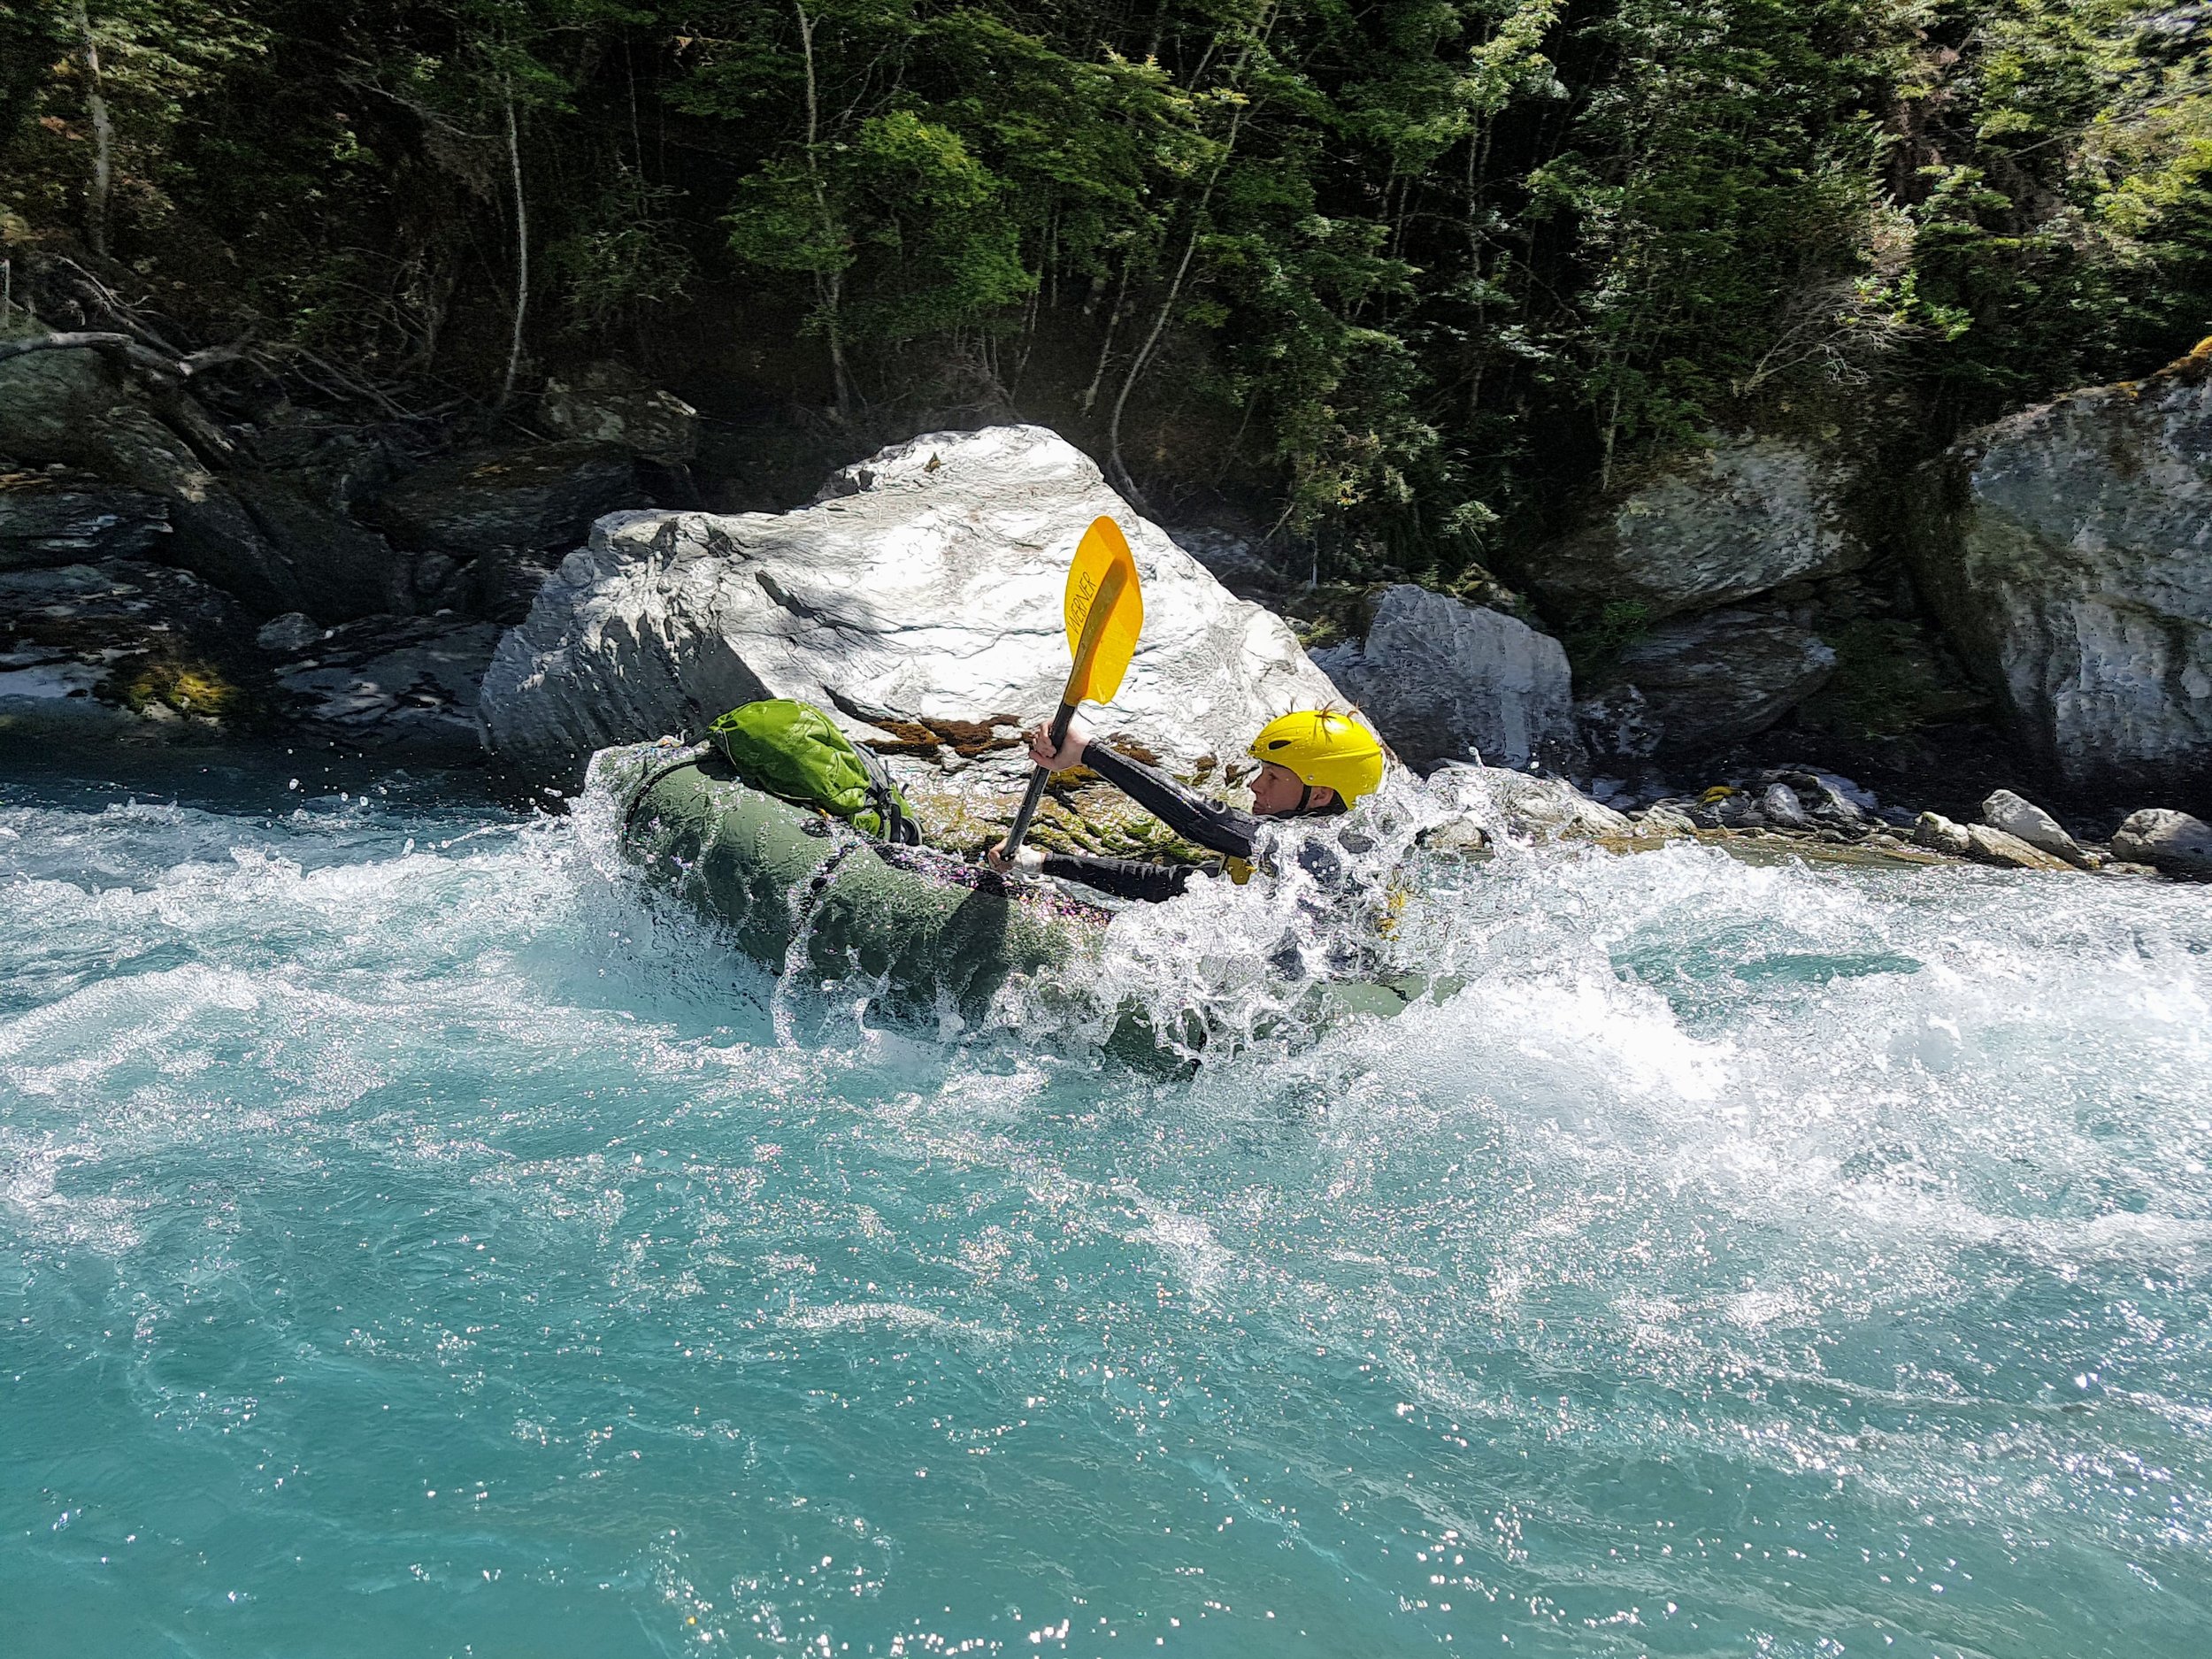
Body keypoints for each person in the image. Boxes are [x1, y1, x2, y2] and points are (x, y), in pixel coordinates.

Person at [986, 710, 1385, 902]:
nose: (1255, 785)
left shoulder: (1333, 854)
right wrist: (1042, 864)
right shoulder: (1274, 856)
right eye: (1262, 771)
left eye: (1275, 777)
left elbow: (1204, 822)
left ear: (1319, 795)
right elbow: (1176, 885)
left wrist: (1090, 752)